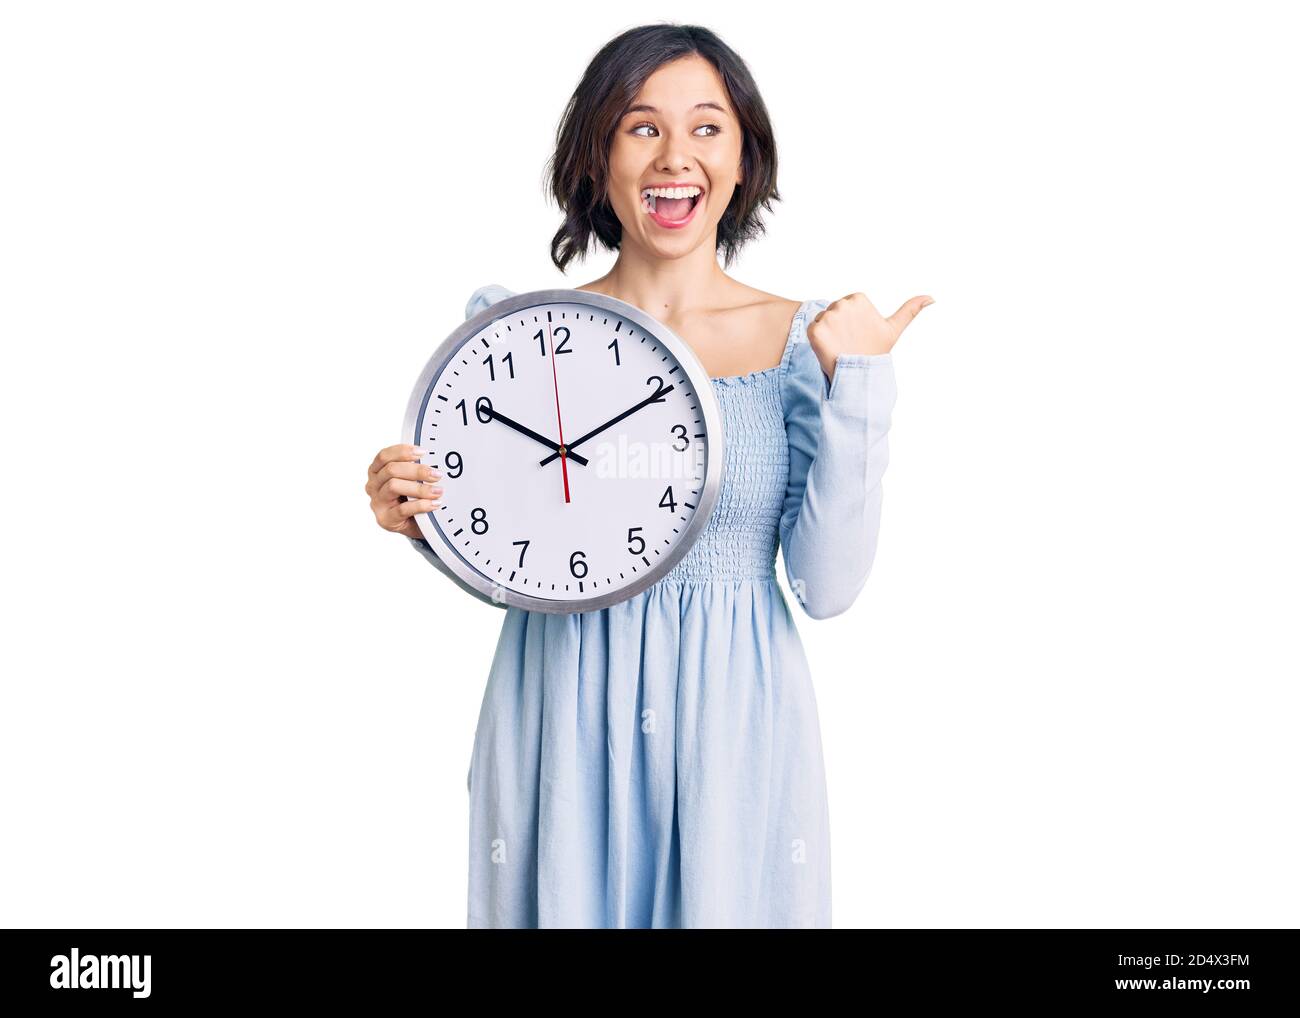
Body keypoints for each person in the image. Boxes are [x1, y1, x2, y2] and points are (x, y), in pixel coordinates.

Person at [364, 23, 932, 928]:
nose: (677, 156)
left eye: (708, 128)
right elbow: (518, 556)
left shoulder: (807, 342)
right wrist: (419, 516)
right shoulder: (518, 338)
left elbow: (827, 587)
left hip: (733, 725)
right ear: (599, 154)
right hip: (560, 707)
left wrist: (856, 387)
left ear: (745, 160)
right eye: (641, 127)